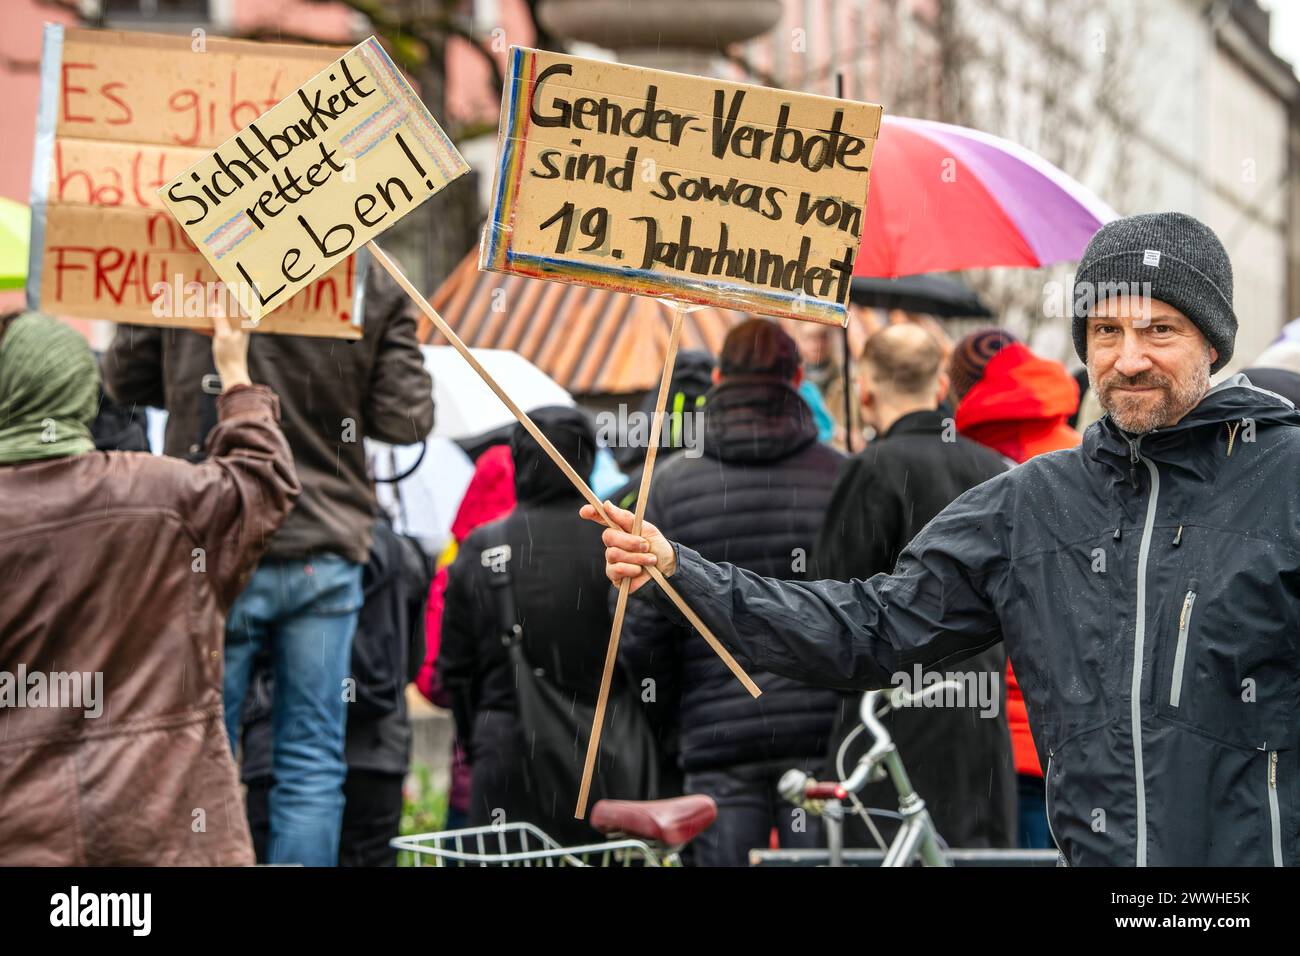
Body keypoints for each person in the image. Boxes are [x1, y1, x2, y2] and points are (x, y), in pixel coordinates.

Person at [586, 212, 1300, 867]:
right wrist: (682, 569)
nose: (1130, 357)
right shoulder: (1035, 500)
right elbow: (871, 625)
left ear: (1212, 340)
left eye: (1160, 330)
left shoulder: (1285, 477)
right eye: (1107, 332)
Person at [103, 259, 434, 866]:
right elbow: (407, 418)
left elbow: (123, 380)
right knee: (311, 756)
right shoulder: (367, 271)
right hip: (323, 543)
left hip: (216, 538)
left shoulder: (185, 258)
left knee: (205, 749)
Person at [0, 310, 298, 865]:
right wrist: (234, 373)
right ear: (82, 394)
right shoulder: (160, 494)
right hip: (167, 825)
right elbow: (262, 480)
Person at [618, 319, 843, 866]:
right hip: (819, 737)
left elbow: (642, 628)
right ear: (797, 379)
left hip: (714, 736)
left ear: (719, 376)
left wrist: (671, 716)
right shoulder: (844, 478)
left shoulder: (668, 485)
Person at [815, 324, 1016, 850]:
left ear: (865, 389)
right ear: (940, 387)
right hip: (980, 712)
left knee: (893, 850)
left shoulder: (869, 470)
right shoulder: (993, 469)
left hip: (890, 718)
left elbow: (833, 607)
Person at [438, 406, 636, 845]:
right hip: (601, 756)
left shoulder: (480, 549)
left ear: (517, 460)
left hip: (505, 758)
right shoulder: (619, 549)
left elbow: (454, 670)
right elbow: (645, 653)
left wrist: (478, 739)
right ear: (585, 460)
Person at [949, 327, 1083, 848]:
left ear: (961, 389)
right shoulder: (1085, 457)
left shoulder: (964, 464)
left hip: (985, 724)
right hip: (1080, 724)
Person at [239, 517, 432, 866]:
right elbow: (413, 661)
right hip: (376, 750)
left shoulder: (260, 533)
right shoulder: (399, 550)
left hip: (272, 741)